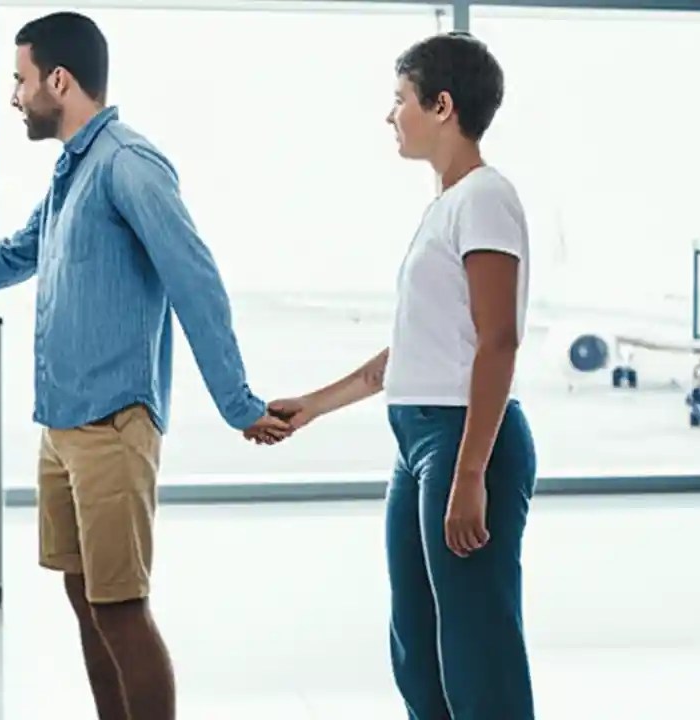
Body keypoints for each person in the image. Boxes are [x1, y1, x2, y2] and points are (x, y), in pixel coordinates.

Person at [0, 11, 290, 719]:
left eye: (20, 79)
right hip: (62, 425)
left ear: (58, 80)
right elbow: (11, 255)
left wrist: (238, 404)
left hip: (112, 424)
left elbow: (195, 281)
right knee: (84, 597)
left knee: (120, 607)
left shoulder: (128, 163)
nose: (14, 96)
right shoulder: (73, 172)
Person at [267, 32, 536, 720]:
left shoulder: (485, 198)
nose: (390, 115)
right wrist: (314, 405)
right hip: (415, 442)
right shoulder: (445, 206)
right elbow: (412, 352)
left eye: (400, 99)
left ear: (442, 106)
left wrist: (470, 474)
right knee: (416, 648)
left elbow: (499, 341)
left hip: (463, 440)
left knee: (477, 652)